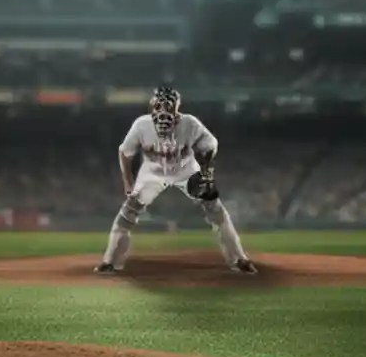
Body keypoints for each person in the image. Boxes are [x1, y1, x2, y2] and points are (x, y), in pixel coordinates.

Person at [96, 85, 257, 274]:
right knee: (127, 214)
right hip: (152, 173)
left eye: (168, 107)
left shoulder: (189, 123)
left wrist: (206, 173)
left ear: (177, 108)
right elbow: (124, 152)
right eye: (159, 106)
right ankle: (110, 261)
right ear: (152, 107)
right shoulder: (142, 125)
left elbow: (210, 146)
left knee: (215, 208)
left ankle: (239, 259)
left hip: (185, 169)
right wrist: (128, 181)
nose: (163, 112)